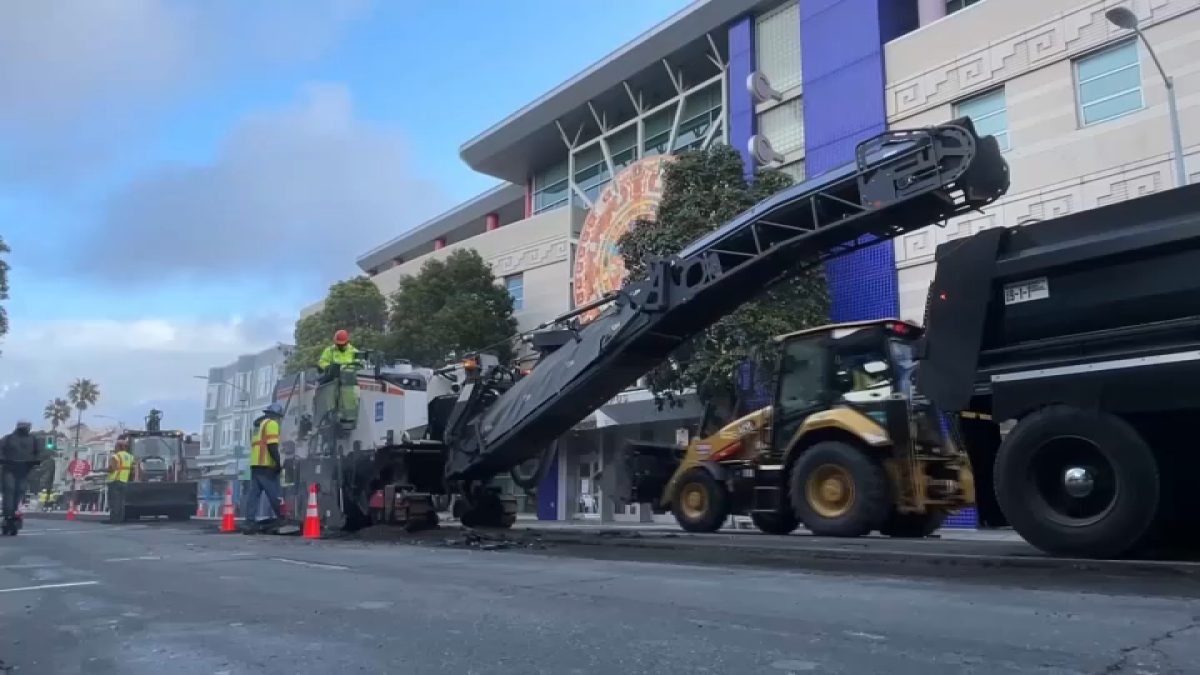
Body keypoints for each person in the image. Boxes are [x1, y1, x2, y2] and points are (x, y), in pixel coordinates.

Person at [243, 402, 285, 533]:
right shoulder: (271, 424)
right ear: (276, 415)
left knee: (254, 495)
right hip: (266, 464)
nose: (279, 419)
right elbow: (272, 446)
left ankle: (249, 521)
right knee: (274, 493)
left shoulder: (258, 425)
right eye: (279, 417)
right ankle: (283, 518)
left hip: (255, 464)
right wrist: (278, 463)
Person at [1, 420, 45, 531]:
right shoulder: (8, 438)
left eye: (27, 427)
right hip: (9, 468)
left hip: (24, 470)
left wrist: (37, 461)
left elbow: (39, 452)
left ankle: (15, 511)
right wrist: (2, 459)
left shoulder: (33, 440)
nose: (25, 428)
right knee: (9, 490)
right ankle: (8, 513)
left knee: (20, 490)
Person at [106, 438, 135, 523]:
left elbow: (112, 469)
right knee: (121, 501)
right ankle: (120, 519)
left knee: (114, 501)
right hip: (124, 481)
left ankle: (114, 519)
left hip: (115, 481)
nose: (115, 447)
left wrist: (102, 470)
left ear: (119, 447)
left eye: (116, 446)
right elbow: (134, 469)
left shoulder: (115, 456)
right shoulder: (130, 457)